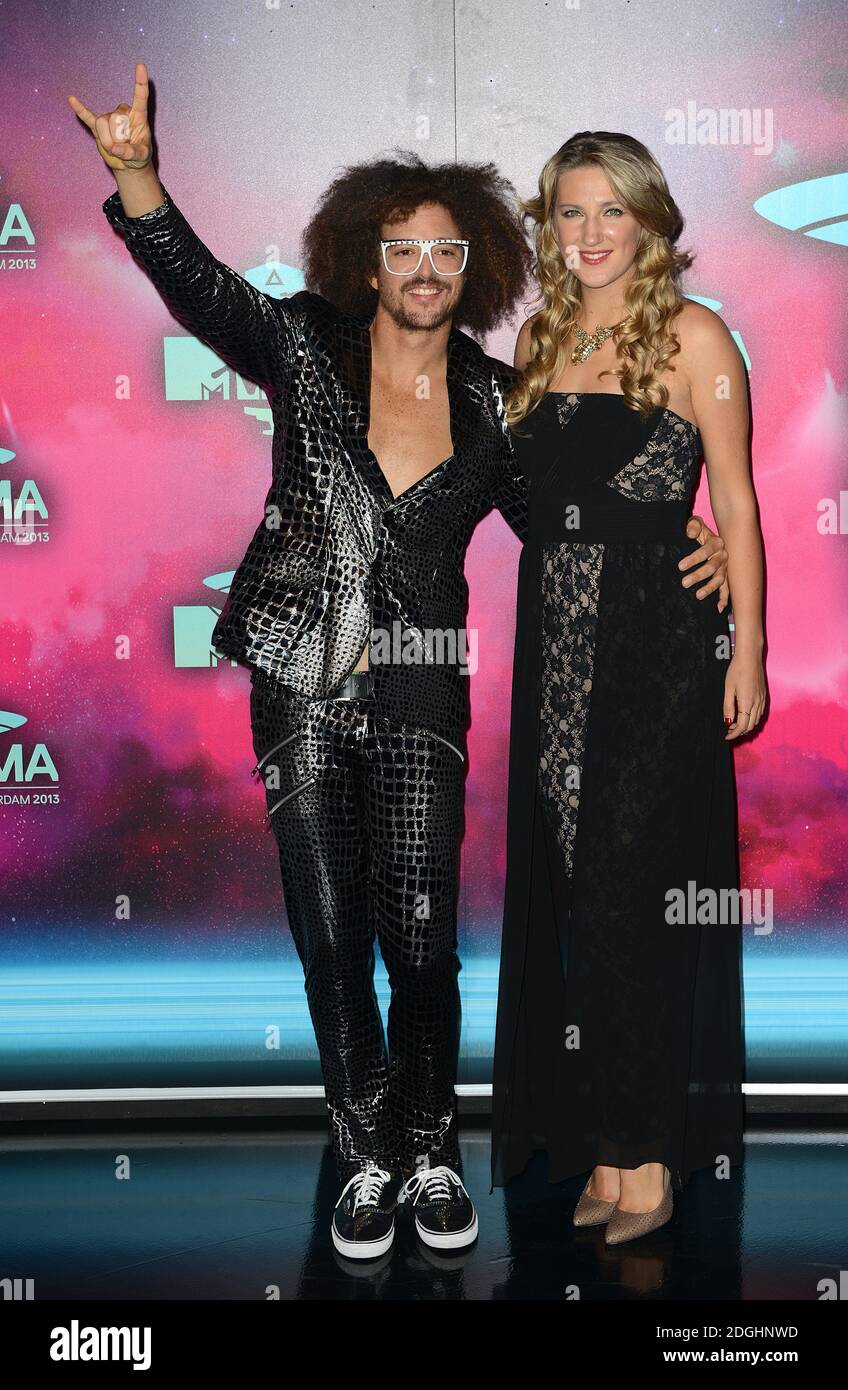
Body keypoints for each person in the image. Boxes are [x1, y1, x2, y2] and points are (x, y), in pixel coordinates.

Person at [69, 68, 729, 1259]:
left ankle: (431, 1145)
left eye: (445, 251)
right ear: (363, 260)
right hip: (298, 673)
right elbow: (205, 291)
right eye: (400, 248)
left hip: (422, 687)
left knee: (420, 937)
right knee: (329, 931)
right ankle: (366, 1149)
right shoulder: (302, 344)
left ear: (471, 263)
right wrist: (137, 181)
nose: (424, 268)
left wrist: (679, 526)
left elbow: (565, 514)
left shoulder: (492, 398)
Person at [491, 131, 765, 1246]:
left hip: (658, 647)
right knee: (572, 897)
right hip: (551, 651)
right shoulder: (539, 338)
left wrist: (744, 645)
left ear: (648, 221)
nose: (590, 232)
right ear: (548, 228)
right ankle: (603, 1143)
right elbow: (525, 503)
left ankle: (650, 1153)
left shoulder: (695, 336)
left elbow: (737, 507)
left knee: (630, 894)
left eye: (611, 211)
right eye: (569, 213)